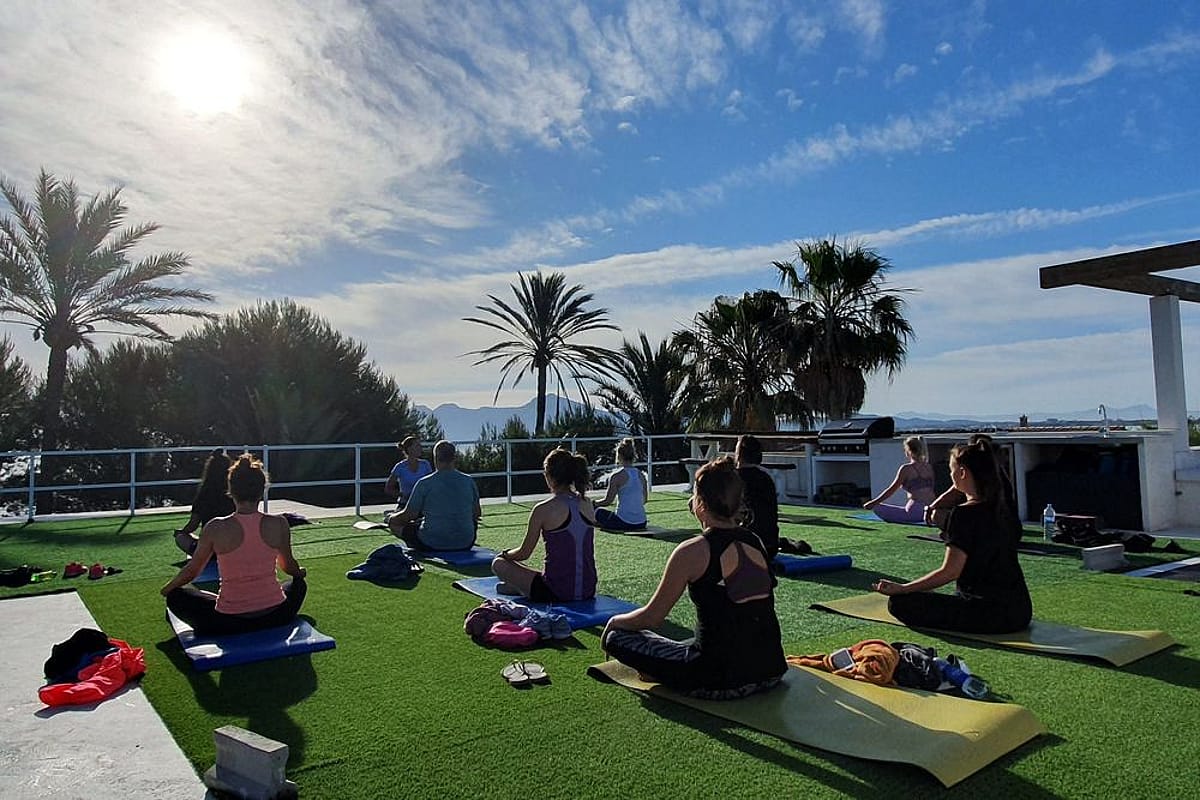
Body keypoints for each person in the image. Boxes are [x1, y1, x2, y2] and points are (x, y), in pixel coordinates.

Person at [601, 457, 787, 699]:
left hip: (717, 678)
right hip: (770, 669)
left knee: (619, 637)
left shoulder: (692, 551)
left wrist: (615, 621)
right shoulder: (755, 541)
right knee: (686, 642)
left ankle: (658, 671)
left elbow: (652, 617)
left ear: (699, 504)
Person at [872, 439, 1032, 634]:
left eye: (951, 470)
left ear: (962, 473)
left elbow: (950, 571)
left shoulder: (963, 515)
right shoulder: (1002, 509)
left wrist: (904, 588)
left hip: (990, 614)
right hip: (1021, 611)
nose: (950, 475)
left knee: (899, 603)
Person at [161, 454, 307, 636]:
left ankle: (225, 604)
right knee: (299, 584)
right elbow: (289, 566)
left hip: (228, 621)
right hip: (276, 614)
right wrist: (301, 573)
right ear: (262, 491)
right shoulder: (279, 524)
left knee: (176, 597)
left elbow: (192, 571)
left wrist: (167, 589)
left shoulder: (215, 527)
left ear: (231, 489)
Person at [492, 448, 597, 601]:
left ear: (548, 475)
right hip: (588, 589)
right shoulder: (587, 503)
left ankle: (519, 588)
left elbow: (524, 553)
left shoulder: (543, 509)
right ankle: (518, 588)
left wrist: (505, 554)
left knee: (498, 564)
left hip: (555, 592)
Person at [388, 440, 481, 551]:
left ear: (435, 458)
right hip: (466, 541)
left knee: (395, 524)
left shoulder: (424, 483)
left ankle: (414, 543)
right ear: (455, 457)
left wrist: (391, 518)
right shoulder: (469, 481)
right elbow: (476, 514)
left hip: (432, 542)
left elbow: (409, 515)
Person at [923, 434, 1015, 532]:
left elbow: (953, 494)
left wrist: (931, 508)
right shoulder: (996, 472)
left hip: (993, 526)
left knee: (938, 515)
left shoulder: (976, 472)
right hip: (1008, 527)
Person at [173, 448, 236, 555]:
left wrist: (181, 532)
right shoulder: (235, 493)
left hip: (209, 550)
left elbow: (193, 525)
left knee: (181, 538)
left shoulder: (203, 495)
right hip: (233, 547)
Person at [863, 436, 936, 524]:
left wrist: (873, 503)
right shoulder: (929, 467)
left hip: (915, 511)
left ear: (908, 452)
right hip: (932, 510)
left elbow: (891, 489)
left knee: (877, 508)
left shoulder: (906, 469)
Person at [593, 438, 648, 532]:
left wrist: (593, 503)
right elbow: (644, 500)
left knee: (596, 511)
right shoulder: (641, 475)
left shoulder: (616, 476)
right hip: (641, 522)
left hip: (623, 522)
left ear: (619, 456)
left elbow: (607, 501)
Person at [384, 435, 433, 513]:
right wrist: (403, 495)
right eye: (417, 446)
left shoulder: (425, 464)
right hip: (405, 504)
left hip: (423, 504)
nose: (420, 448)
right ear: (409, 449)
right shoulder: (400, 467)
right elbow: (388, 488)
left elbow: (432, 484)